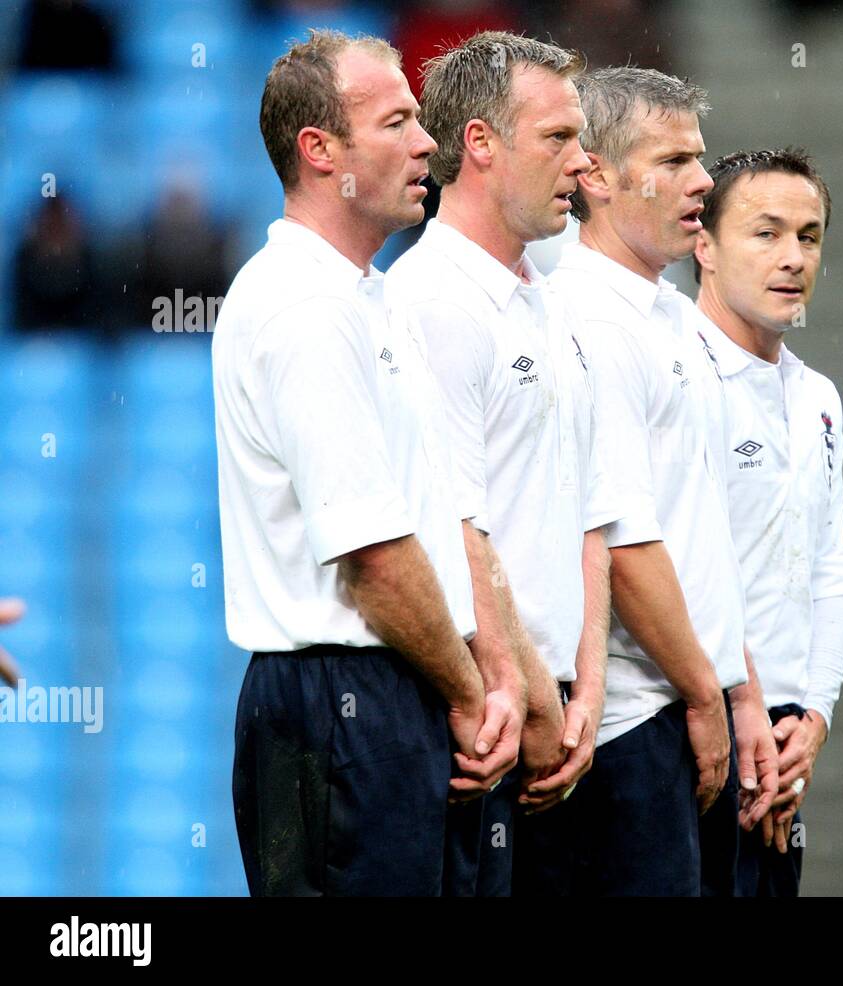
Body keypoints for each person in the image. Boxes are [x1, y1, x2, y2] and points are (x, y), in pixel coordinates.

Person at [213, 30, 514, 896]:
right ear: (321, 152)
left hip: (393, 686)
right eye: (397, 122)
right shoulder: (304, 305)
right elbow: (376, 559)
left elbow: (424, 521)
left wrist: (480, 678)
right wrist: (469, 694)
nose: (428, 143)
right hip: (343, 701)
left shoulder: (365, 298)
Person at [385, 31, 620, 896]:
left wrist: (583, 688)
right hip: (487, 716)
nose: (582, 162)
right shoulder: (432, 301)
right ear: (479, 144)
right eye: (557, 138)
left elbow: (595, 515)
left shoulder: (547, 301)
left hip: (554, 715)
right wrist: (530, 693)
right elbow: (458, 524)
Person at [548, 66, 777, 896]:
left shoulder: (674, 313)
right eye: (675, 159)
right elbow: (626, 544)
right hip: (634, 725)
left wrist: (742, 690)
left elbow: (697, 529)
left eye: (702, 157)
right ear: (597, 176)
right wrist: (706, 694)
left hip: (688, 703)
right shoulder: (589, 323)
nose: (704, 180)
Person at [691, 147, 843, 896]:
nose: (793, 257)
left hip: (783, 735)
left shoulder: (819, 396)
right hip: (697, 721)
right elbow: (686, 564)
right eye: (765, 234)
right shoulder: (678, 373)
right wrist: (740, 703)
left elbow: (831, 566)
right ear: (703, 243)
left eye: (810, 235)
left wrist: (813, 720)